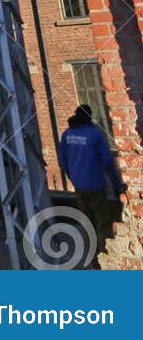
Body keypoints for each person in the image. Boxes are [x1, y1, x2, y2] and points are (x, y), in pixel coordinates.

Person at [58, 105, 124, 265]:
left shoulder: (67, 134)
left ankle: (91, 257)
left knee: (87, 221)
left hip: (79, 186)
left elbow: (63, 160)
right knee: (103, 221)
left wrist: (72, 177)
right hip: (95, 185)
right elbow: (107, 160)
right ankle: (103, 257)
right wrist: (116, 183)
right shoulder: (94, 134)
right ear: (89, 116)